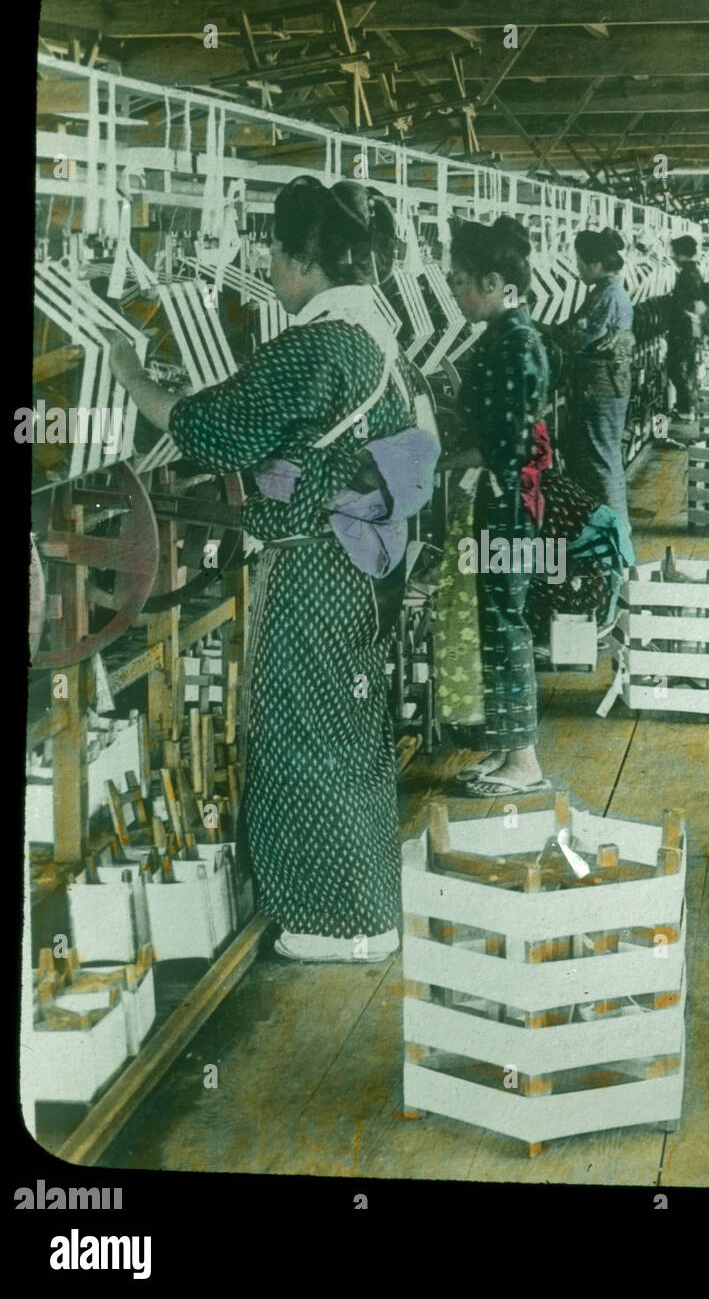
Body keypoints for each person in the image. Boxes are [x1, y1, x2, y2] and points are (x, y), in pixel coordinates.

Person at [107, 175, 438, 962]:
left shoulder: (319, 344)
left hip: (315, 566)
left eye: (273, 257)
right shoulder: (370, 331)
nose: (270, 272)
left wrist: (127, 374)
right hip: (358, 567)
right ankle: (365, 908)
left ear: (299, 262)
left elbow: (214, 431)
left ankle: (332, 924)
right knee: (347, 732)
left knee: (300, 733)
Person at [443, 216, 551, 798]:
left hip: (508, 502)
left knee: (506, 622)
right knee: (495, 619)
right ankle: (506, 745)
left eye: (461, 281)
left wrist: (445, 458)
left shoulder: (516, 342)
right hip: (501, 497)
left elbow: (506, 445)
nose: (456, 291)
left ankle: (525, 760)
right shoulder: (505, 334)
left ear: (493, 281)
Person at [557, 227, 636, 533]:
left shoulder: (607, 295)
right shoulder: (606, 291)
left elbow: (578, 338)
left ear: (596, 264)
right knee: (604, 455)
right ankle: (608, 526)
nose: (577, 269)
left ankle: (615, 529)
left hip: (601, 386)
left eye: (580, 263)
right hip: (608, 383)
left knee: (601, 458)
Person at [665, 234, 707, 418]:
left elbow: (692, 303)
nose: (672, 255)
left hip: (684, 327)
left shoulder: (688, 273)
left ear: (681, 253)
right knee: (687, 366)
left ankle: (685, 408)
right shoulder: (693, 271)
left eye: (674, 252)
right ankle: (689, 406)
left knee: (678, 367)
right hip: (691, 326)